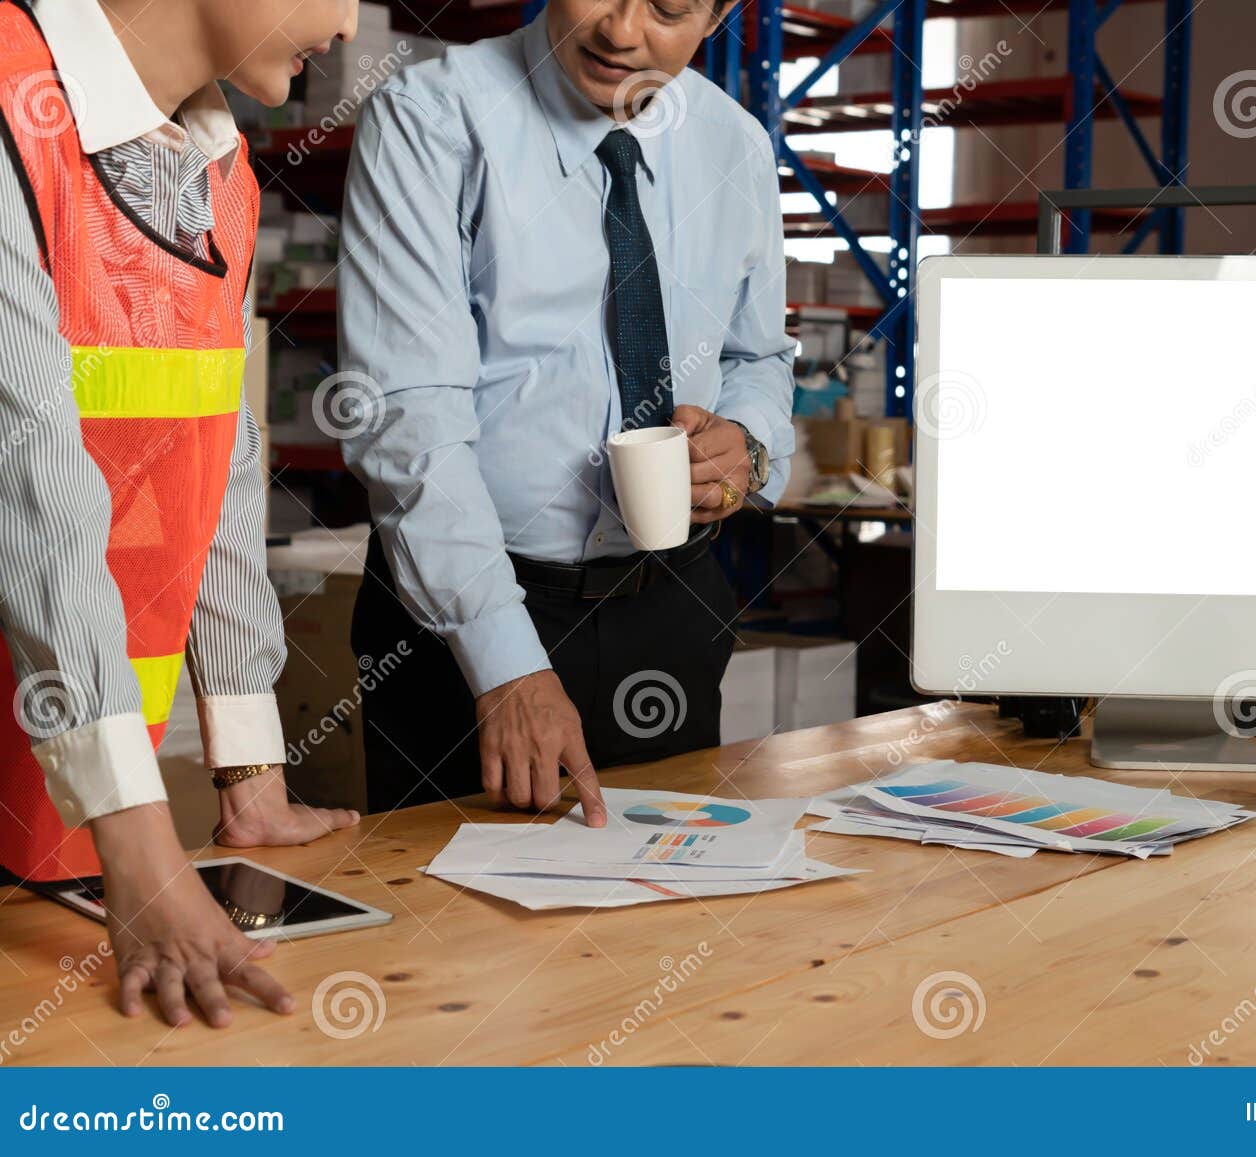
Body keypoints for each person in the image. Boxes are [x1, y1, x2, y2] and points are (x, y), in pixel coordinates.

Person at [338, 0, 795, 816]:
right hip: (466, 621)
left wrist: (749, 448)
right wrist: (506, 664)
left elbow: (756, 359)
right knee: (454, 926)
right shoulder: (430, 118)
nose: (621, 31)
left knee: (673, 912)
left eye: (668, 8)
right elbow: (410, 414)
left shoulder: (737, 147)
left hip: (670, 606)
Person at [0, 0, 363, 1028]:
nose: (347, 23)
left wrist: (247, 769)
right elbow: (25, 474)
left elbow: (218, 463)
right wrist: (145, 852)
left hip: (56, 808)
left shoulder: (219, 174)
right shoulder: (7, 110)